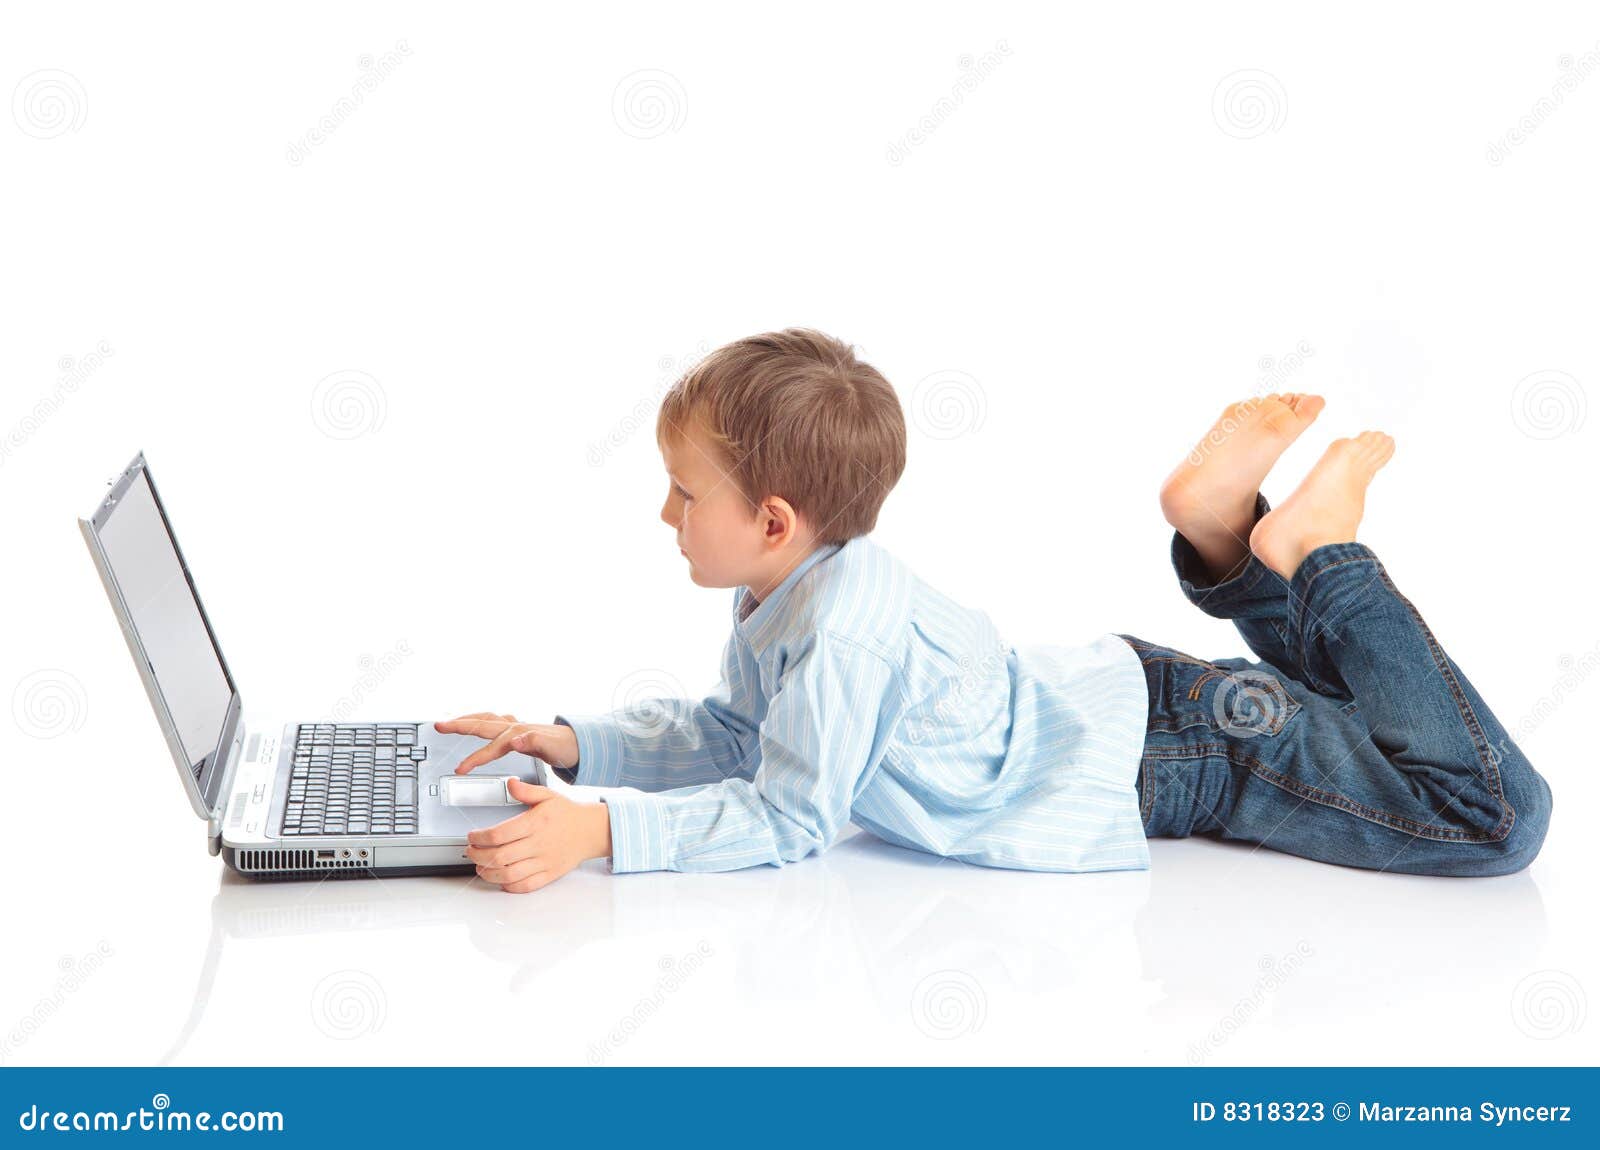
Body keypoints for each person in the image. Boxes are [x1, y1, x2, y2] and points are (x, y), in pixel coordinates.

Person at [438, 328, 1552, 893]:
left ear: (774, 519)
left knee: (1491, 814)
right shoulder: (785, 592)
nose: (664, 512)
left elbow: (790, 817)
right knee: (1363, 721)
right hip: (1147, 712)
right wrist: (583, 746)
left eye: (685, 491)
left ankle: (1319, 553)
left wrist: (604, 831)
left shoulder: (842, 632)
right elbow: (744, 737)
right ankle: (1226, 537)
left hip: (1180, 750)